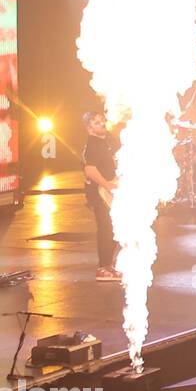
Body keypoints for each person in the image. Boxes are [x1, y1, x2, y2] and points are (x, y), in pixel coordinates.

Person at [82, 111, 120, 282]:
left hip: (105, 191)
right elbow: (90, 170)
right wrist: (107, 185)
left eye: (102, 120)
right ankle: (103, 268)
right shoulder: (94, 143)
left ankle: (109, 266)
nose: (102, 124)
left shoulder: (103, 141)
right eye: (96, 123)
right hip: (99, 193)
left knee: (112, 228)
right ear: (89, 128)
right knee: (105, 229)